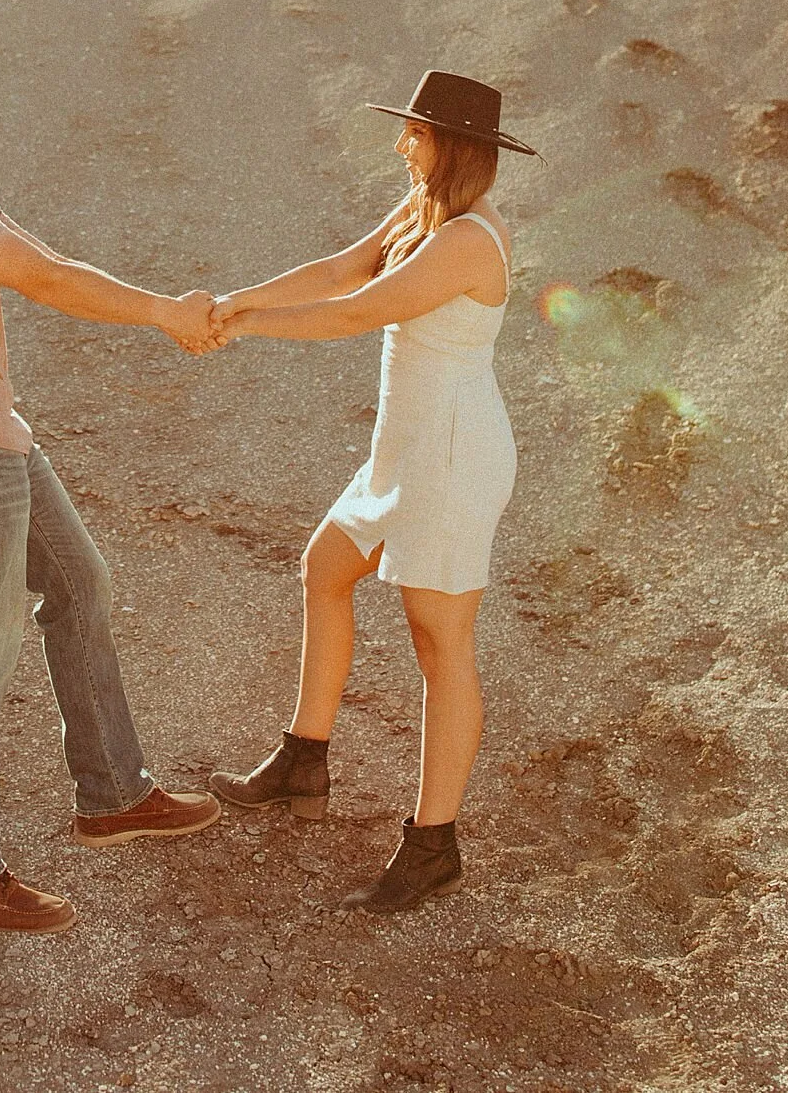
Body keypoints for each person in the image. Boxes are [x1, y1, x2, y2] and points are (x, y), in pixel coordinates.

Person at [0, 7, 221, 936]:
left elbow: (50, 260)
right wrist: (164, 317)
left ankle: (111, 792)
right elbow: (43, 281)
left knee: (82, 584)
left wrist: (168, 307)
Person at [204, 69, 538, 914]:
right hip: (404, 450)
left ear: (451, 145)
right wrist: (239, 299)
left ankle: (433, 845)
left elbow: (359, 309)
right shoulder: (423, 211)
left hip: (455, 456)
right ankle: (303, 761)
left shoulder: (469, 239)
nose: (401, 144)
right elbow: (343, 266)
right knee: (326, 568)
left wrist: (245, 329)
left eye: (415, 133)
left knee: (439, 641)